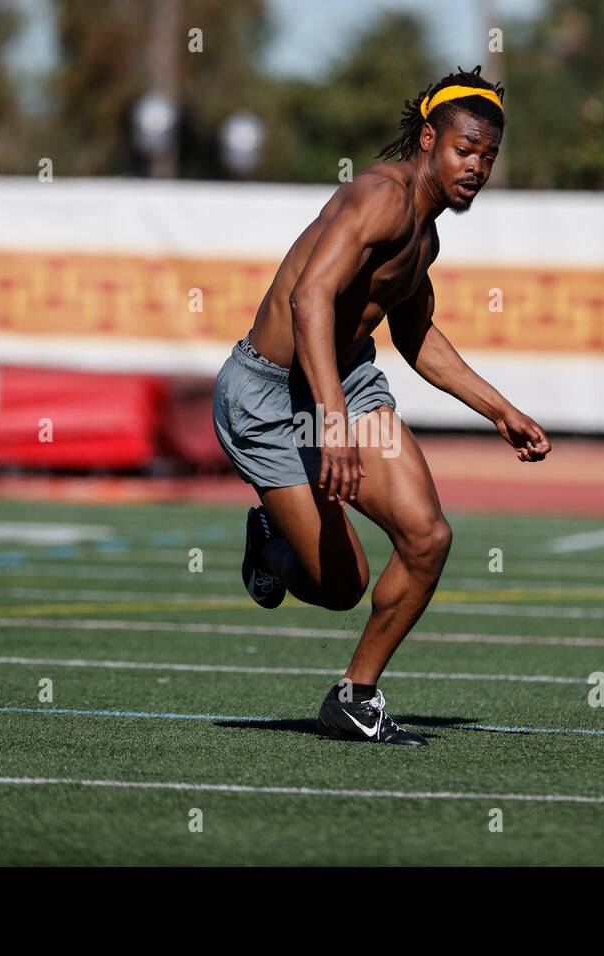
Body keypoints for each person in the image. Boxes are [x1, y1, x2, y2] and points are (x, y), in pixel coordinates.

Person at [212, 67, 551, 746]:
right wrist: (330, 425)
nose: (477, 167)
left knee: (428, 537)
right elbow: (309, 298)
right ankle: (271, 548)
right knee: (340, 586)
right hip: (269, 393)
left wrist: (499, 409)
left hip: (344, 378)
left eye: (488, 156)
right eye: (465, 150)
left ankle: (354, 697)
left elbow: (416, 335)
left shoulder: (425, 234)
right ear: (429, 139)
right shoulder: (380, 197)